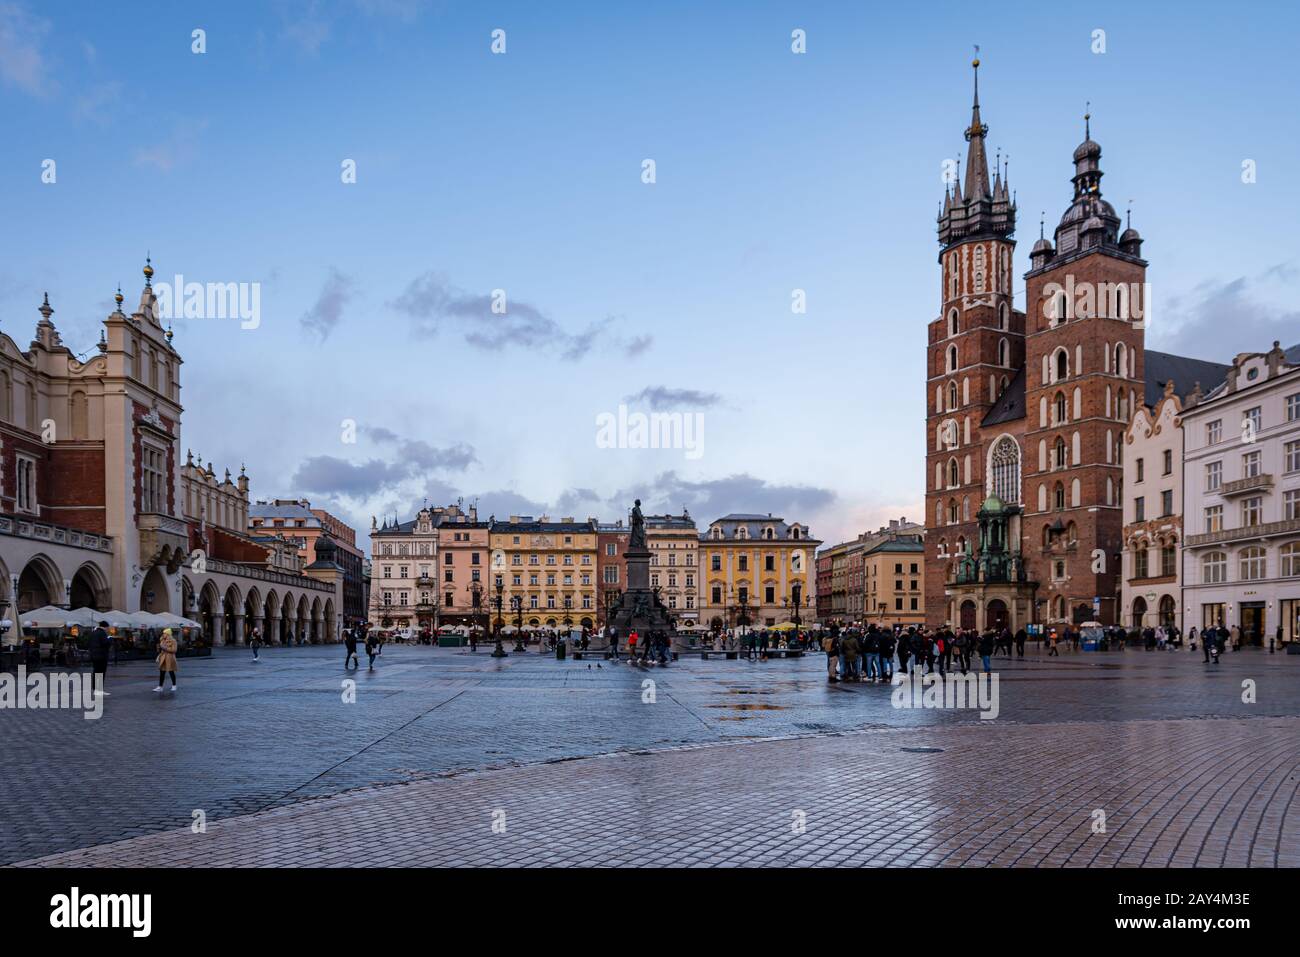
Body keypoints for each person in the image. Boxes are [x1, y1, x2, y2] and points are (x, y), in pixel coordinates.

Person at [88, 619, 112, 697]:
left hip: (94, 656)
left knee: (96, 672)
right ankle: (98, 690)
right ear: (105, 627)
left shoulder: (93, 633)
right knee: (101, 673)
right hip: (101, 656)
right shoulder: (102, 633)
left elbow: (88, 643)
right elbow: (105, 643)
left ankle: (96, 690)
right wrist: (110, 639)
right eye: (108, 628)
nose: (108, 629)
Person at [154, 627, 179, 692]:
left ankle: (174, 686)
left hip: (170, 658)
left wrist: (165, 648)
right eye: (163, 633)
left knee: (171, 672)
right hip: (163, 657)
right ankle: (160, 687)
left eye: (164, 633)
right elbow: (160, 650)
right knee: (162, 672)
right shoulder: (162, 640)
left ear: (168, 634)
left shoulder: (173, 640)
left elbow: (174, 650)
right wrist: (158, 648)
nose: (163, 635)